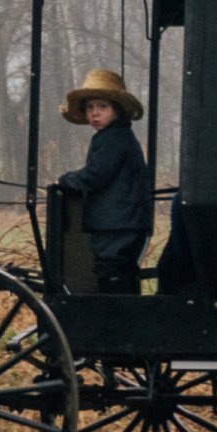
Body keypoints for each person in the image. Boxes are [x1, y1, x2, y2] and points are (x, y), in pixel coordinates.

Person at [57, 69, 153, 295]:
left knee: (112, 270)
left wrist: (65, 180)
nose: (95, 114)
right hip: (123, 222)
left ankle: (116, 319)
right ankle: (123, 317)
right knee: (120, 271)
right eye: (90, 107)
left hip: (117, 224)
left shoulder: (114, 138)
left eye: (102, 107)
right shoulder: (115, 136)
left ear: (118, 111)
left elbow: (95, 176)